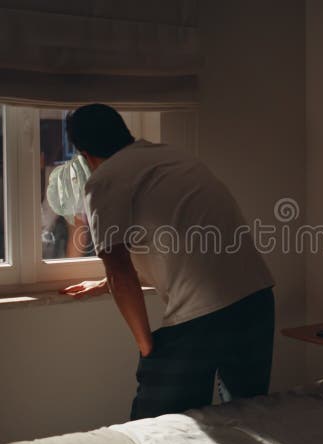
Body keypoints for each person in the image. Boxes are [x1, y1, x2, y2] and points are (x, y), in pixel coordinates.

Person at [59, 104, 275, 420]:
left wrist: (147, 347)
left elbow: (120, 268)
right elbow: (184, 247)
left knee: (154, 428)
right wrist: (105, 284)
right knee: (245, 420)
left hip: (204, 314)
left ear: (84, 153)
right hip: (256, 298)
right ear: (124, 131)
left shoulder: (104, 180)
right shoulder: (173, 157)